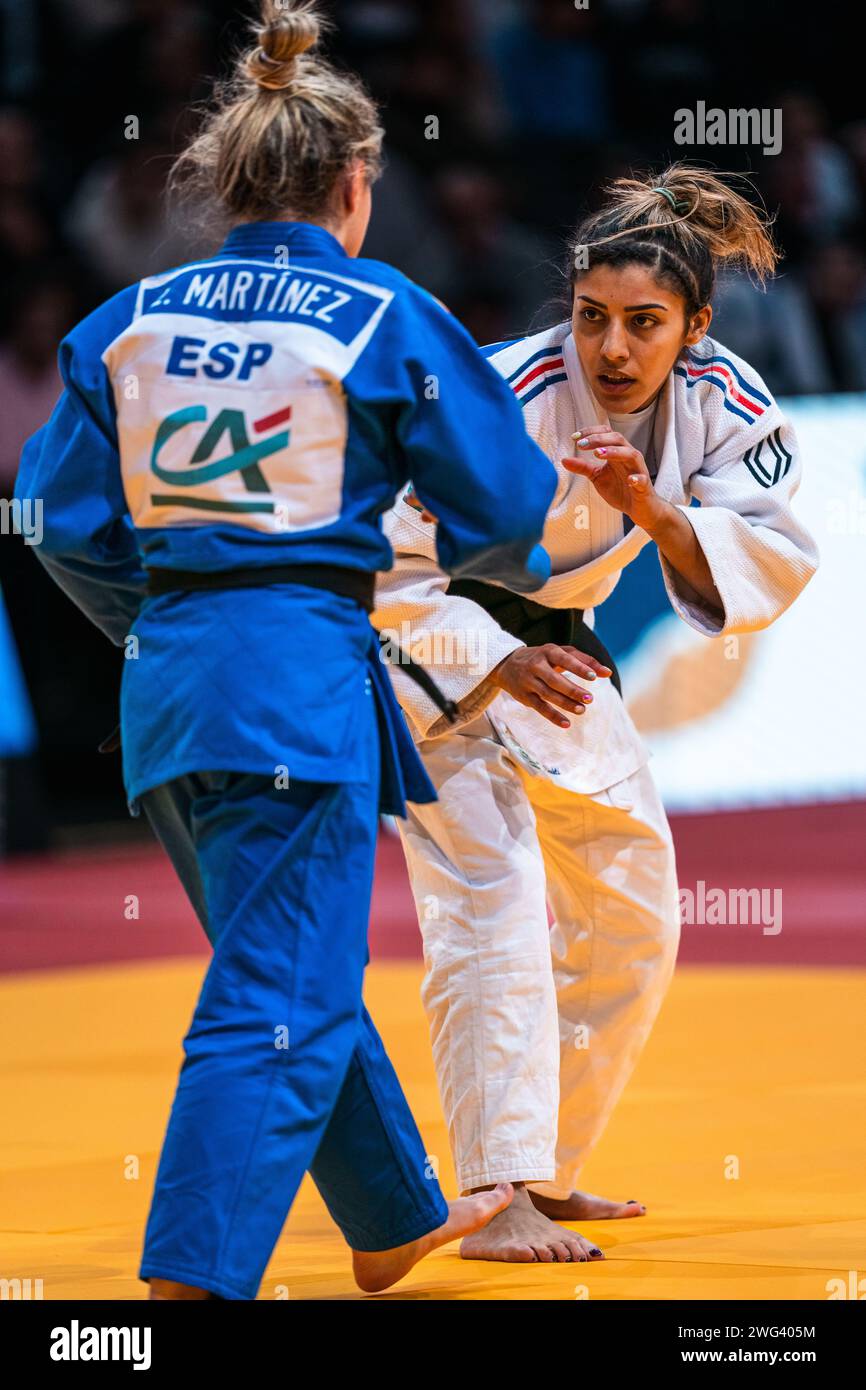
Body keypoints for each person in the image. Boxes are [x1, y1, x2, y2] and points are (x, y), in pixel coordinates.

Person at [14, 0, 562, 1299]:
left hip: (169, 696)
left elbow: (54, 520)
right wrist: (521, 565)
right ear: (352, 181)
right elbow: (501, 510)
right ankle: (188, 1285)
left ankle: (387, 1216)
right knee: (277, 992)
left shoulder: (127, 318)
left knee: (283, 958)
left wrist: (155, 624)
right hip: (294, 691)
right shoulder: (378, 309)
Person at [372, 164, 820, 1263]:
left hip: (562, 650)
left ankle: (544, 1165)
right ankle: (488, 1194)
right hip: (432, 646)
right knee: (494, 893)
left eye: (641, 324)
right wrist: (487, 661)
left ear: (694, 327)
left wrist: (650, 510)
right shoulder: (494, 396)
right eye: (589, 318)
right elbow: (382, 564)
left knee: (632, 913)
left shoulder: (727, 400)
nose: (610, 349)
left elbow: (764, 556)